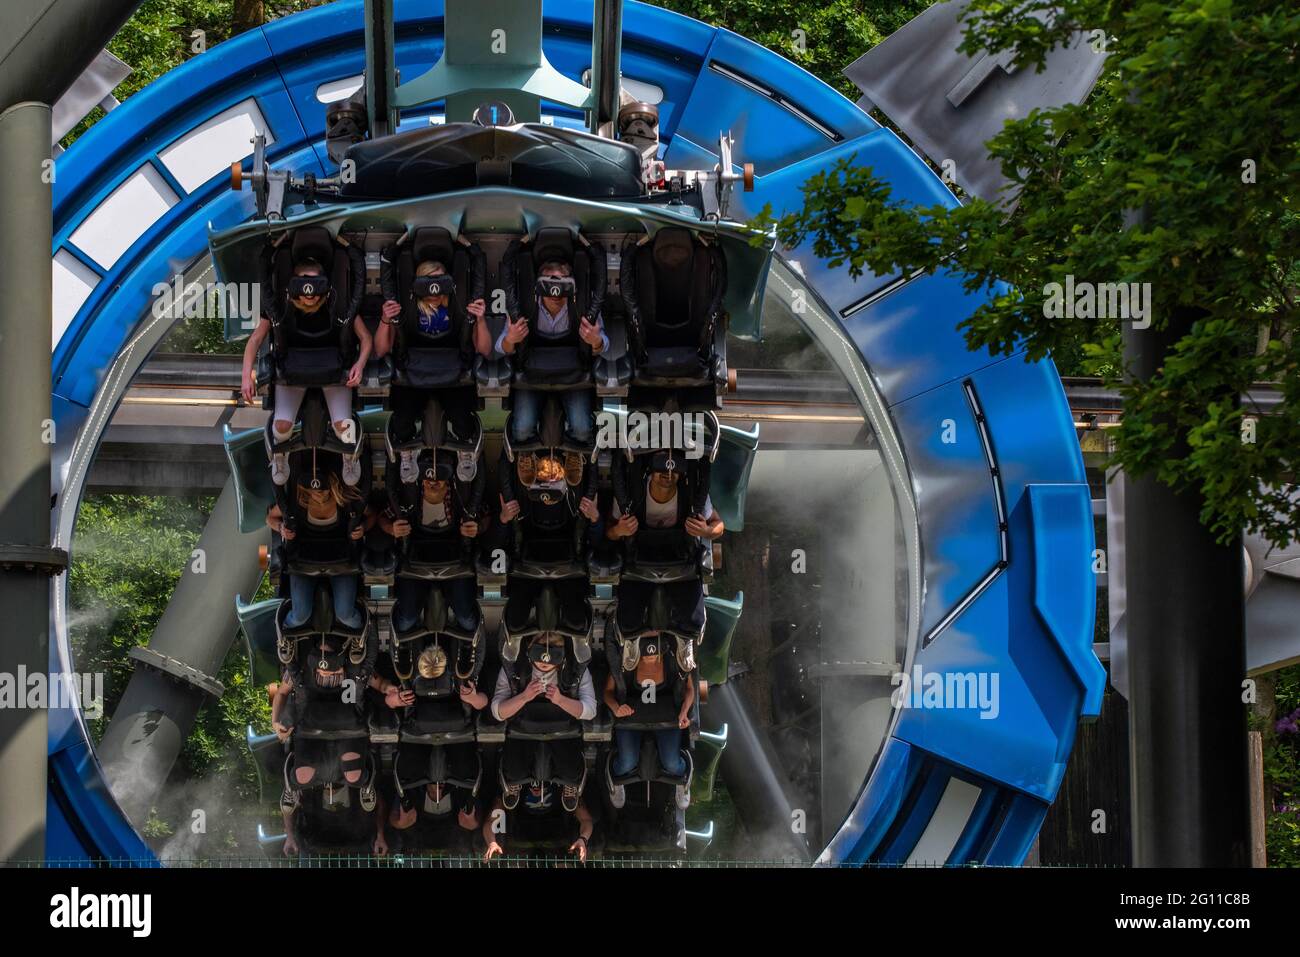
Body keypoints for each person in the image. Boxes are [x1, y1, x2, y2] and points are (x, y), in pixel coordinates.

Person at [242, 259, 373, 487]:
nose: (309, 291)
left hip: (333, 369)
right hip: (293, 370)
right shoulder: (280, 304)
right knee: (282, 425)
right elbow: (255, 339)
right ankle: (280, 454)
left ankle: (348, 455)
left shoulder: (337, 301)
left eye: (314, 282)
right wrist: (246, 375)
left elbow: (366, 338)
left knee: (343, 428)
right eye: (303, 282)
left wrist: (359, 365)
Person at [377, 258, 492, 483]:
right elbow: (381, 349)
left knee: (462, 420)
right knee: (402, 421)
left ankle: (465, 450)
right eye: (428, 282)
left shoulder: (458, 306)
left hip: (453, 372)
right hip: (414, 371)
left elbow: (485, 349)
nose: (434, 290)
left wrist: (479, 320)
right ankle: (408, 453)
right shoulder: (407, 308)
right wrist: (385, 319)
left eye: (439, 282)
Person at [608, 454, 724, 650]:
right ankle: (631, 640)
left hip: (679, 557)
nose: (667, 475)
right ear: (651, 472)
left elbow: (719, 525)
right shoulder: (632, 493)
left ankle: (684, 639)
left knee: (693, 624)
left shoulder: (691, 494)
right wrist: (620, 530)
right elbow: (610, 532)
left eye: (673, 471)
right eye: (661, 471)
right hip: (640, 557)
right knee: (628, 623)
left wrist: (706, 531)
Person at [497, 259, 607, 447]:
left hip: (572, 374)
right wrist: (511, 339)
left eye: (562, 282)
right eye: (550, 281)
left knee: (582, 431)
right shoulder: (524, 303)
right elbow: (501, 346)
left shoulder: (583, 304)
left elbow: (603, 344)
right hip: (533, 374)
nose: (556, 290)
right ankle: (530, 453)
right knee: (522, 431)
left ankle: (571, 452)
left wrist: (595, 341)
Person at [491, 634, 595, 813]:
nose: (545, 661)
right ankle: (513, 783)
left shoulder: (575, 668)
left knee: (570, 770)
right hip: (523, 728)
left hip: (563, 728)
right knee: (514, 770)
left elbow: (590, 710)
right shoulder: (515, 667)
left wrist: (561, 700)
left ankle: (570, 785)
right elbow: (498, 711)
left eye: (553, 655)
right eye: (539, 654)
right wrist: (524, 696)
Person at [380, 457, 481, 635]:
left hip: (455, 562)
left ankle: (466, 649)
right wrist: (391, 529)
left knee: (467, 620)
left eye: (438, 478)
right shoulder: (410, 496)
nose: (432, 482)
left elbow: (485, 513)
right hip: (415, 563)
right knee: (405, 621)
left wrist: (476, 529)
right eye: (427, 479)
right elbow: (382, 517)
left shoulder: (459, 496)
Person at [266, 471, 373, 631]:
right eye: (315, 490)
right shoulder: (295, 502)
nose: (320, 494)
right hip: (303, 562)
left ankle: (364, 631)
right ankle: (284, 630)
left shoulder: (347, 500)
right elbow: (270, 518)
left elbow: (372, 515)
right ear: (306, 489)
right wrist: (281, 527)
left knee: (346, 615)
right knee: (299, 616)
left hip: (342, 561)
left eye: (324, 489)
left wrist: (363, 528)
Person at [604, 635, 695, 810]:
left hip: (666, 717)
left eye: (654, 653)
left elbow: (691, 689)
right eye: (645, 653)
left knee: (673, 765)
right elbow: (608, 691)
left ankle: (682, 782)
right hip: (631, 718)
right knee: (625, 764)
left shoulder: (673, 660)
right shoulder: (626, 662)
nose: (649, 656)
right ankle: (616, 781)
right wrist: (616, 707)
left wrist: (684, 710)